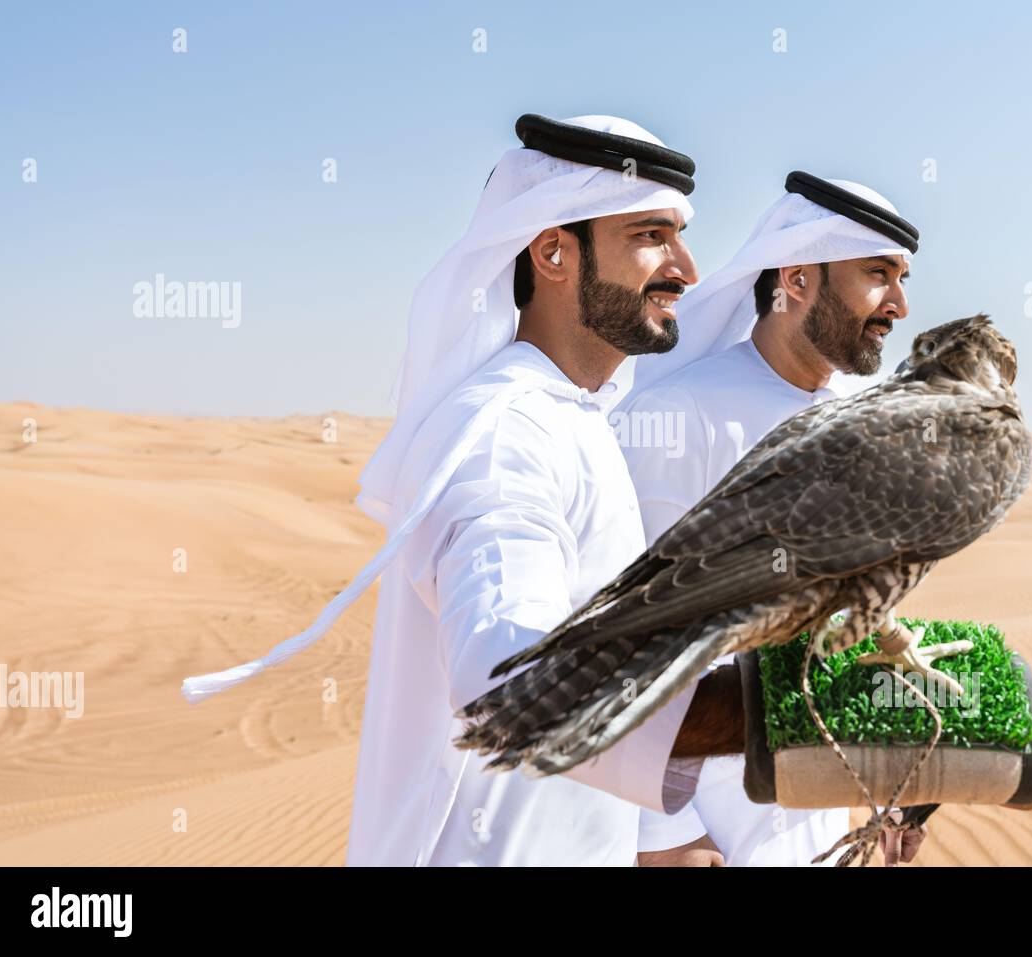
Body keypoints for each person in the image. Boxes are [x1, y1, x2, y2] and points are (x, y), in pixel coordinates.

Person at [182, 113, 746, 865]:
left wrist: (660, 841)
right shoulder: (505, 431)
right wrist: (762, 714)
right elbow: (507, 679)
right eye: (651, 235)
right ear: (552, 250)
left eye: (679, 234)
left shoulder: (575, 419)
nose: (686, 267)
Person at [621, 172, 928, 867]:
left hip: (822, 807)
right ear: (795, 277)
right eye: (878, 274)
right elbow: (629, 643)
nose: (900, 304)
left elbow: (858, 621)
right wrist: (665, 840)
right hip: (711, 828)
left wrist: (894, 783)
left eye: (902, 278)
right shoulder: (679, 415)